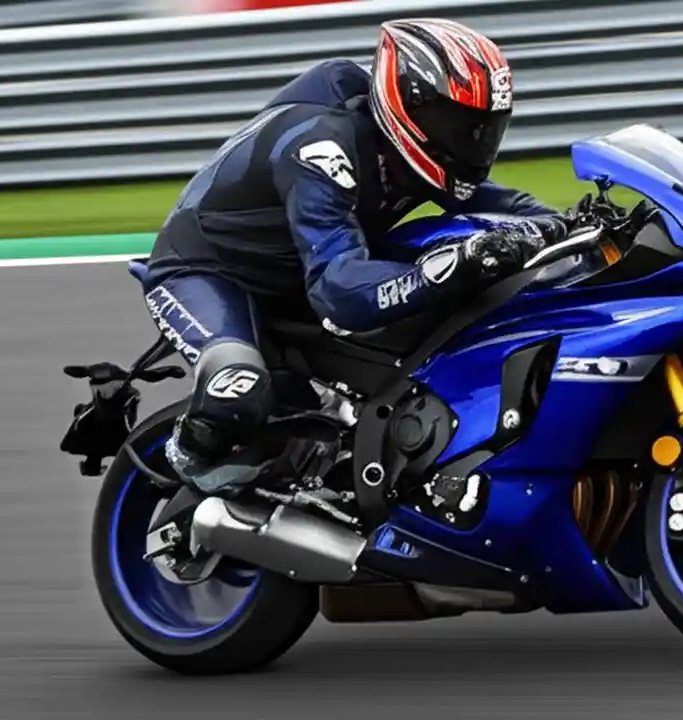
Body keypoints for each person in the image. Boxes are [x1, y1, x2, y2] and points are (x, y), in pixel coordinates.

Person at [141, 18, 571, 493]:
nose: (471, 140)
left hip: (299, 274)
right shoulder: (320, 146)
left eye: (482, 128)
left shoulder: (422, 156)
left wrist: (570, 224)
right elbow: (339, 291)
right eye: (457, 123)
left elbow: (510, 207)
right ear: (407, 102)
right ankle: (182, 457)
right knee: (239, 389)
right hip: (208, 271)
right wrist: (453, 267)